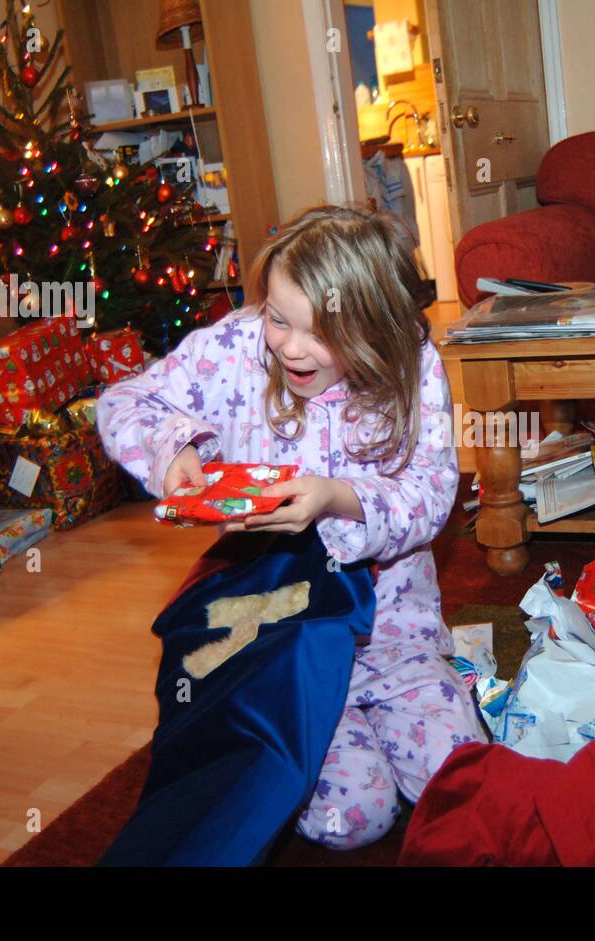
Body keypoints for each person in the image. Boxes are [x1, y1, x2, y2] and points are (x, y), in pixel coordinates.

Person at [98, 204, 485, 850]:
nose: (289, 345)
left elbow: (431, 495)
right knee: (354, 818)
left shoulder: (413, 363)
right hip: (278, 642)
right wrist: (174, 450)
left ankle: (426, 697)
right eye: (279, 318)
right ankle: (333, 734)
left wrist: (337, 499)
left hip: (393, 637)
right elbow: (124, 402)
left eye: (316, 331)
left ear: (372, 329)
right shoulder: (237, 347)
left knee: (458, 780)